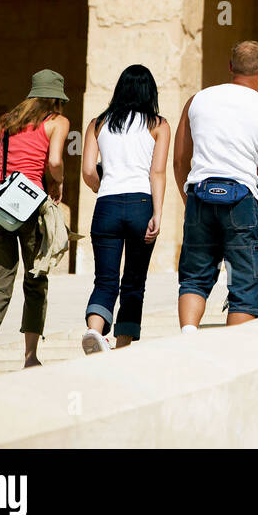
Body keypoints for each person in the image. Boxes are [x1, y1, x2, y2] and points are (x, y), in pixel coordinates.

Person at [0, 70, 71, 379]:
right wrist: (58, 185)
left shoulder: (6, 122)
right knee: (35, 280)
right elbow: (55, 162)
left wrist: (0, 194)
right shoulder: (57, 122)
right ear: (56, 99)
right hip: (30, 207)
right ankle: (30, 357)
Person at [174, 41, 258, 329]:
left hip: (200, 193)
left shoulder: (197, 100)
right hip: (241, 199)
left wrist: (188, 200)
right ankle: (234, 353)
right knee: (244, 288)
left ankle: (188, 334)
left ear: (230, 67)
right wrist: (256, 166)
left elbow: (179, 160)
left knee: (194, 278)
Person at [78, 65, 171, 353]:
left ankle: (94, 330)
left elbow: (88, 170)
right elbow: (157, 173)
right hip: (141, 205)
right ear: (150, 92)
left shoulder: (98, 123)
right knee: (133, 281)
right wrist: (157, 213)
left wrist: (99, 187)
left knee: (105, 278)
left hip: (106, 205)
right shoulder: (159, 124)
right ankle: (122, 345)